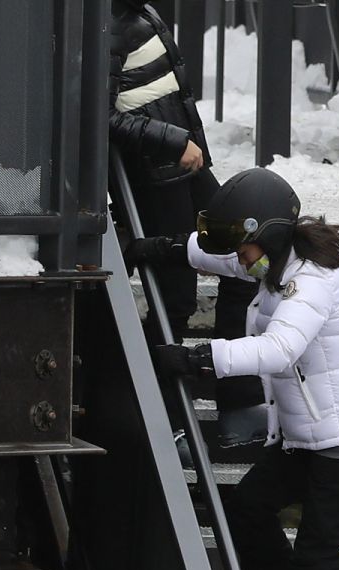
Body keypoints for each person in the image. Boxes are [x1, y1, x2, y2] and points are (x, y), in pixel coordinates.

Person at [142, 167, 339, 570]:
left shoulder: (311, 278)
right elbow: (228, 258)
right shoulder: (282, 254)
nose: (242, 259)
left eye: (245, 247)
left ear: (270, 235)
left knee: (317, 558)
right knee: (247, 509)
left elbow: (279, 350)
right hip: (307, 432)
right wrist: (163, 249)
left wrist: (197, 356)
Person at [111, 0, 264, 447]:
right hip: (154, 177)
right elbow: (94, 114)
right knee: (174, 300)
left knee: (247, 262)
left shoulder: (136, 13)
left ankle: (238, 401)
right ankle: (164, 422)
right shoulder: (108, 24)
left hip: (182, 169)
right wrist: (174, 141)